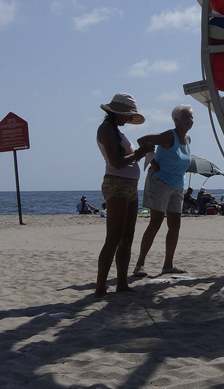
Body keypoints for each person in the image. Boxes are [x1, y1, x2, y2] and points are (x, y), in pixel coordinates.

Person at [94, 93, 152, 298]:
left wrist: (139, 154)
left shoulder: (115, 130)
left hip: (129, 186)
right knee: (113, 238)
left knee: (127, 237)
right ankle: (100, 287)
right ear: (117, 113)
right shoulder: (106, 129)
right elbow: (117, 162)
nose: (128, 119)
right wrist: (140, 153)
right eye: (127, 115)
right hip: (117, 184)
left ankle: (121, 283)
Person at [133, 104, 194, 277]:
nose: (190, 120)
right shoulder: (168, 136)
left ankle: (168, 265)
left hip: (177, 185)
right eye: (186, 116)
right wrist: (152, 162)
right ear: (177, 119)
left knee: (175, 225)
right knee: (156, 222)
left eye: (191, 117)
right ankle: (140, 264)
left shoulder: (188, 140)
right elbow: (142, 141)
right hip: (160, 182)